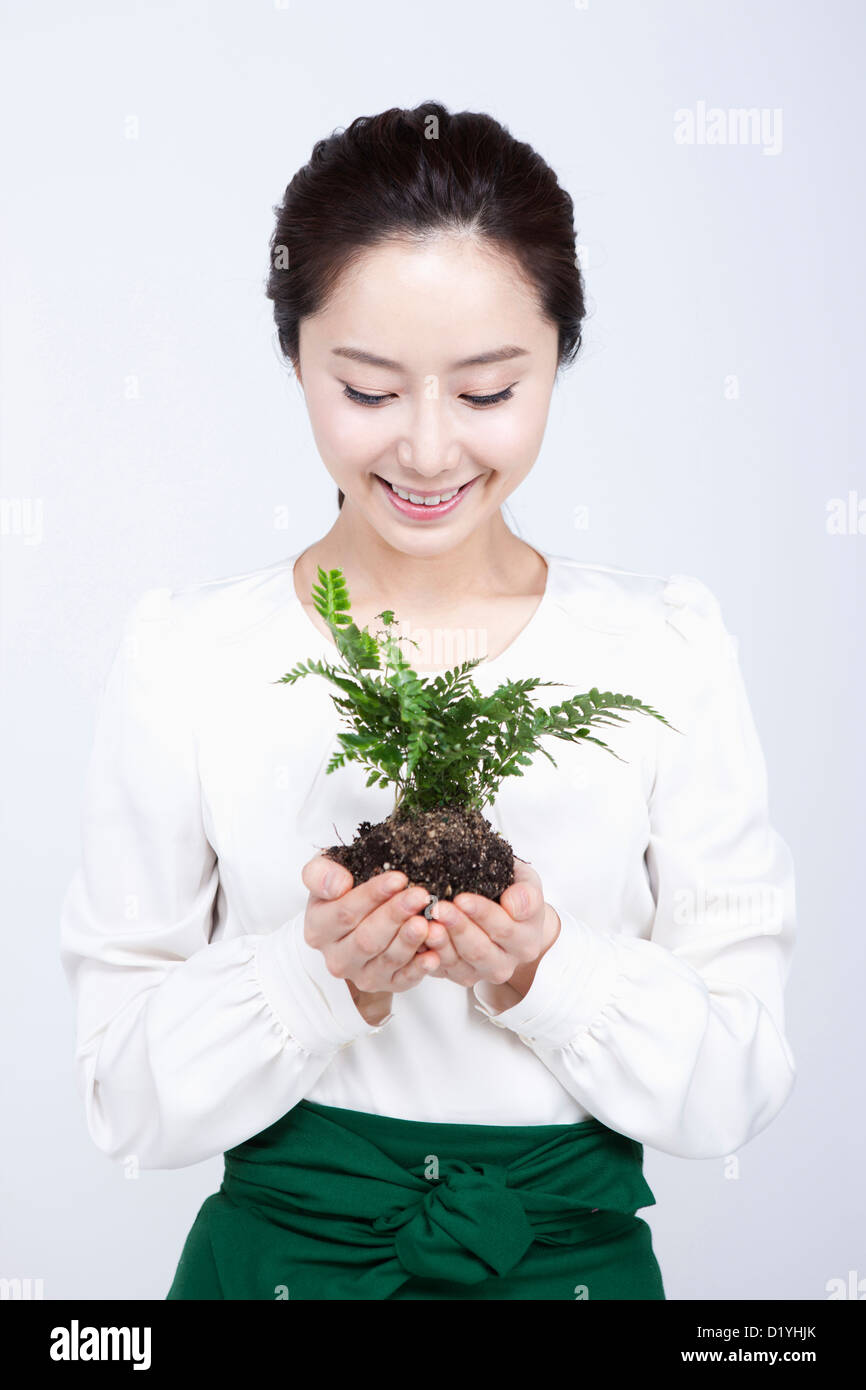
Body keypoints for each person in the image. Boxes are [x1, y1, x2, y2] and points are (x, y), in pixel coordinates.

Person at [59, 101, 796, 1301]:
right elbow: (121, 1104)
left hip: (564, 1270)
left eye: (487, 391)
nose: (427, 448)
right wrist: (318, 978)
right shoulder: (187, 655)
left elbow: (737, 1087)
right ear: (295, 354)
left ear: (557, 355)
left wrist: (542, 972)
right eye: (367, 388)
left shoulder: (665, 649)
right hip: (279, 1270)